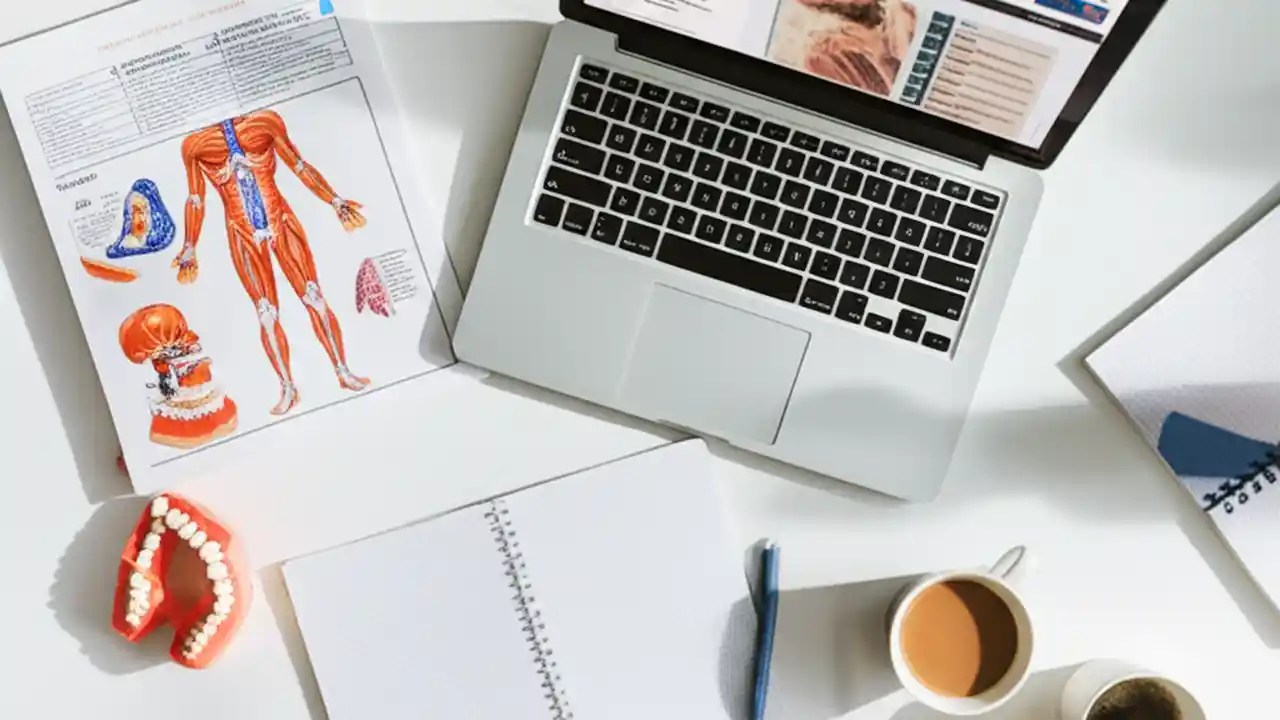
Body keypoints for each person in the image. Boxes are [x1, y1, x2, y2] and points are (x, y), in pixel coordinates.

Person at [173, 110, 369, 415]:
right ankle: (289, 388)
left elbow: (299, 166)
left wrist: (334, 200)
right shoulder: (195, 144)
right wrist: (189, 245)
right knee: (266, 313)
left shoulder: (265, 121)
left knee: (314, 298)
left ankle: (343, 372)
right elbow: (195, 198)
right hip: (241, 232)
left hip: (281, 220)